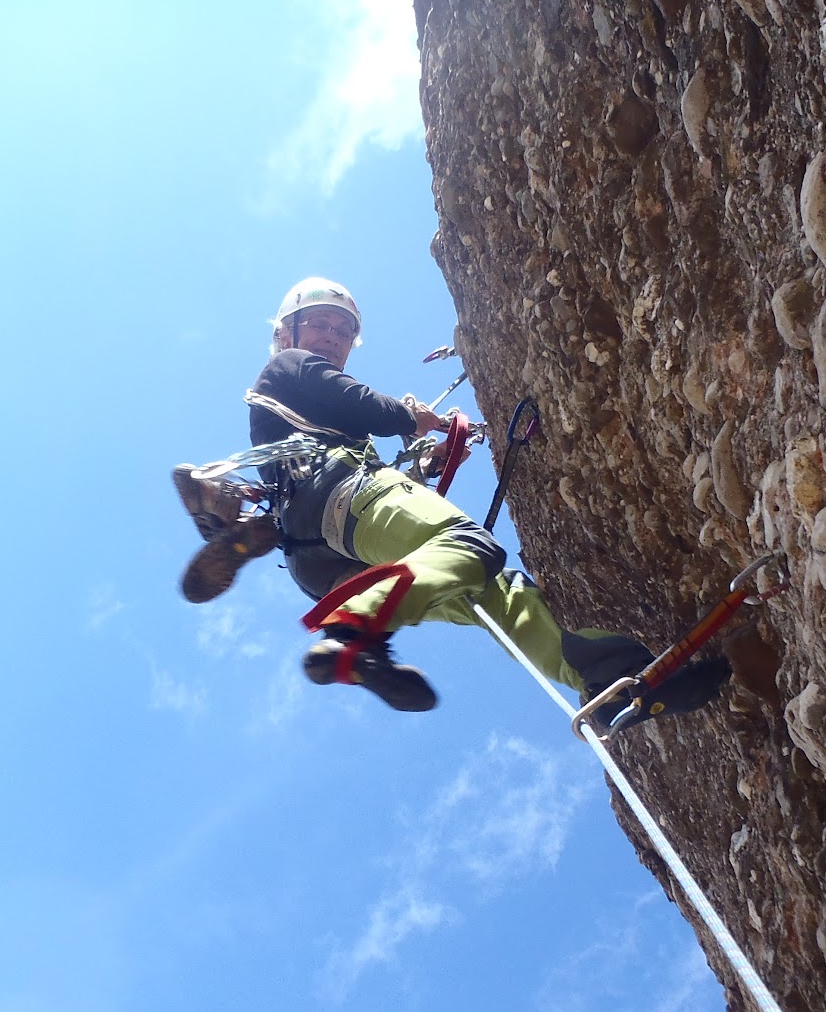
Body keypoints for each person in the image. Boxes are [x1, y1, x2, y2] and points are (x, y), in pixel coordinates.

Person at [173, 277, 731, 724]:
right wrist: (413, 418)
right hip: (341, 499)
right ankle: (354, 634)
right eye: (319, 323)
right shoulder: (286, 367)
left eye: (342, 331)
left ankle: (609, 677)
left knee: (492, 594)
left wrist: (424, 463)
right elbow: (351, 399)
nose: (331, 336)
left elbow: (340, 426)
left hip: (319, 554)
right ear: (287, 331)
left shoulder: (278, 421)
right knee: (468, 546)